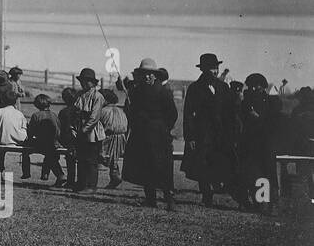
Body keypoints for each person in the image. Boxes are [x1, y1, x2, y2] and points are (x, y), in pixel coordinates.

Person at [182, 52, 245, 207]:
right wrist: (189, 137)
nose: (215, 71)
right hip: (202, 135)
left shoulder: (223, 87)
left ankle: (239, 197)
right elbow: (188, 114)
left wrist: (233, 133)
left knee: (224, 165)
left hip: (221, 136)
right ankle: (206, 195)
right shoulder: (194, 88)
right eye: (212, 69)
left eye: (216, 68)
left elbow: (231, 112)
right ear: (203, 69)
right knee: (202, 166)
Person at [121, 57, 179, 210]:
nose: (147, 77)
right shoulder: (135, 91)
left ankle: (169, 200)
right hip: (141, 135)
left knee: (163, 167)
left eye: (150, 74)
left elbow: (172, 114)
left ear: (155, 75)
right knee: (145, 166)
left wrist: (164, 128)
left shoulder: (163, 92)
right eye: (145, 74)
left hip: (160, 135)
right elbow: (130, 111)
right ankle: (150, 199)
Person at [237, 74, 280, 208]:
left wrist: (258, 118)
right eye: (252, 86)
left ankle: (267, 203)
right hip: (253, 143)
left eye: (256, 86)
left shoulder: (270, 101)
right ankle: (261, 203)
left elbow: (272, 120)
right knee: (256, 173)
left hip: (263, 143)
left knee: (264, 173)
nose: (254, 88)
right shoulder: (246, 101)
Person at [71, 68, 106, 192]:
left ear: (93, 82)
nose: (84, 84)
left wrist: (83, 131)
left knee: (91, 160)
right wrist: (74, 128)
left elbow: (94, 117)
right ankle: (81, 183)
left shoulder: (98, 96)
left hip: (92, 132)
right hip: (80, 129)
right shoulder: (80, 95)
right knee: (81, 159)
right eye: (82, 81)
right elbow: (74, 112)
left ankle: (91, 186)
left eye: (87, 81)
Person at [25, 94, 66, 186]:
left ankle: (59, 175)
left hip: (42, 142)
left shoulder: (36, 115)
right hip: (54, 142)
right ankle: (47, 173)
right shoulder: (54, 115)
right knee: (51, 154)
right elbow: (59, 129)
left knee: (48, 153)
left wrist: (30, 139)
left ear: (37, 105)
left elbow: (31, 131)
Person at [98, 87, 128, 188]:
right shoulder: (120, 111)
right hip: (122, 138)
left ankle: (114, 175)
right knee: (113, 157)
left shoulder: (103, 111)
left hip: (108, 138)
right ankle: (114, 175)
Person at [0, 91, 28, 175]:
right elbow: (24, 127)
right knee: (26, 151)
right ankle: (26, 172)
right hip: (19, 141)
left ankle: (0, 171)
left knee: (0, 153)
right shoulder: (19, 113)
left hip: (3, 140)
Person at [56, 87, 80, 189]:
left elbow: (60, 127)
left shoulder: (63, 112)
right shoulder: (79, 110)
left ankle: (70, 181)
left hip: (67, 139)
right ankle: (78, 181)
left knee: (70, 160)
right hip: (78, 139)